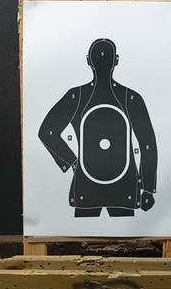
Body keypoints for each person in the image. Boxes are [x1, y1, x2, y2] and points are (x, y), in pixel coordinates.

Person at [38, 38, 158, 216]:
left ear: (88, 60)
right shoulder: (131, 98)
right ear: (116, 60)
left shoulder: (76, 96)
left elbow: (47, 132)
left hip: (87, 186)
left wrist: (71, 161)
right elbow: (147, 145)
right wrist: (147, 189)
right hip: (124, 188)